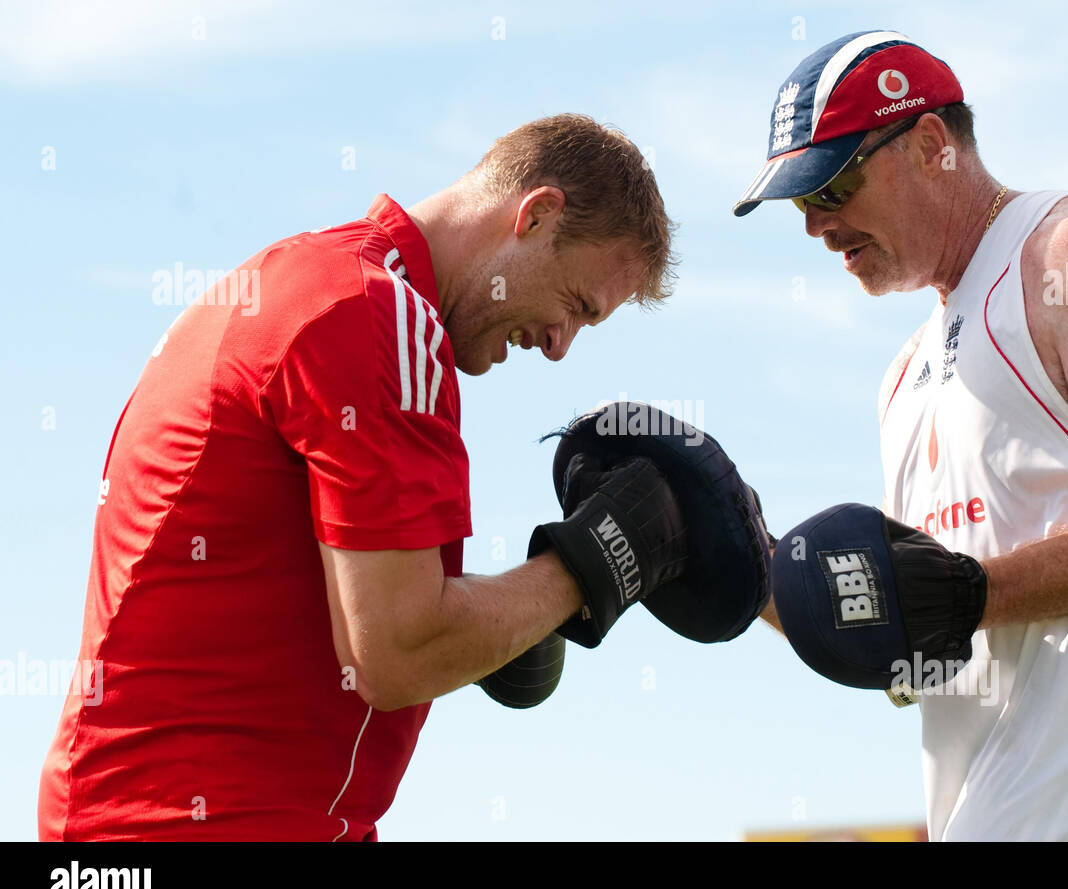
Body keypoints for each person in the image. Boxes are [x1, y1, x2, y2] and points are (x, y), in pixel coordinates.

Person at [39, 114, 690, 841]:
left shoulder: (306, 277)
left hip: (155, 815)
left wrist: (494, 618)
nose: (560, 347)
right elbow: (396, 651)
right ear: (535, 215)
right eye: (576, 306)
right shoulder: (378, 313)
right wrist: (592, 565)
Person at [735, 31, 1068, 841]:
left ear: (929, 146)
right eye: (800, 202)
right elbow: (913, 643)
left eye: (833, 185)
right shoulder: (900, 380)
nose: (816, 224)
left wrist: (979, 593)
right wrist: (741, 563)